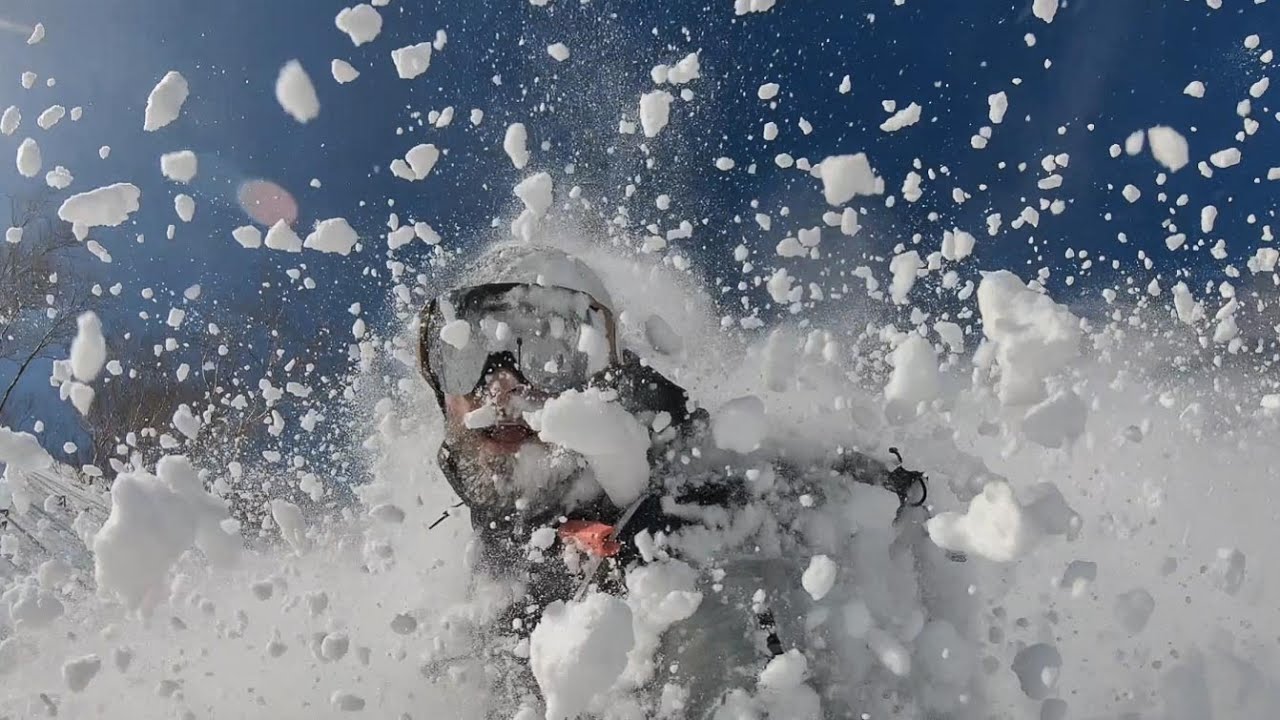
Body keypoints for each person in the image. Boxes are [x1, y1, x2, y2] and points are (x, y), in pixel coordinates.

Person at [416, 242, 943, 719]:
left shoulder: (694, 528)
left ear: (604, 375)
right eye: (465, 357)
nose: (501, 386)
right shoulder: (493, 557)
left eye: (548, 355)